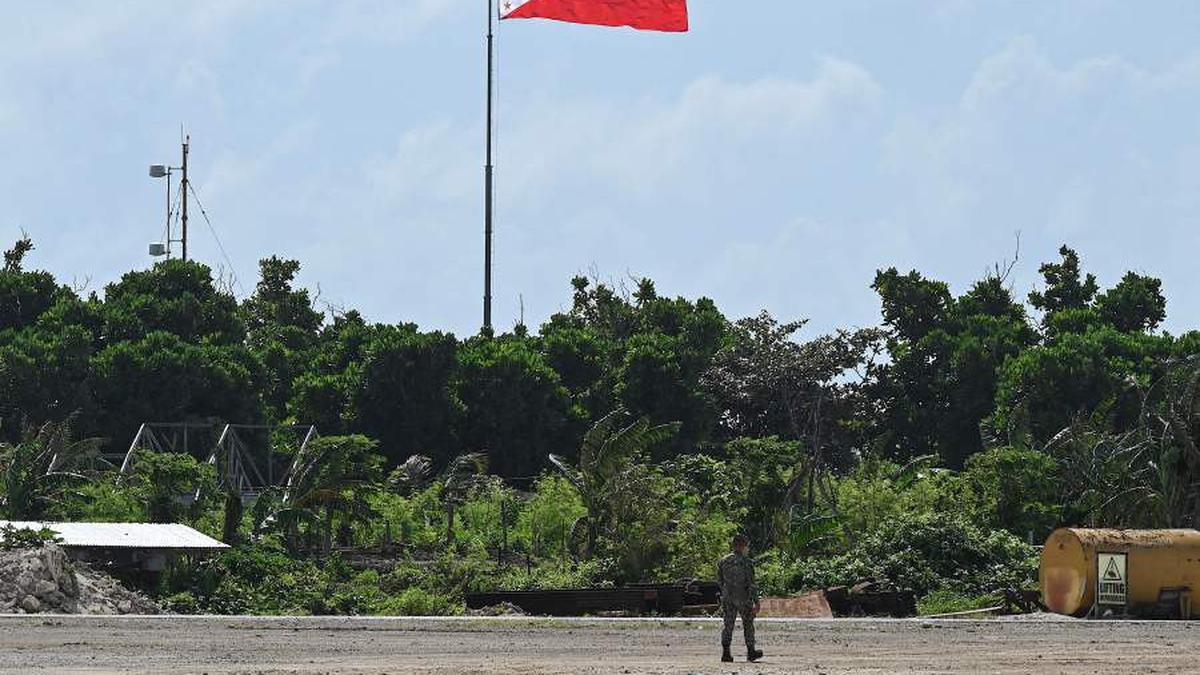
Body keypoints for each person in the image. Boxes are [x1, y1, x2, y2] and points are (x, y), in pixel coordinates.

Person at [716, 533, 763, 663]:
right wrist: (756, 602)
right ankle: (751, 651)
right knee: (748, 623)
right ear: (742, 546)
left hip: (728, 597)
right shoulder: (747, 562)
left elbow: (719, 581)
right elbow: (751, 584)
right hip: (743, 597)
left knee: (728, 624)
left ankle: (726, 653)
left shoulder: (723, 561)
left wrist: (726, 592)